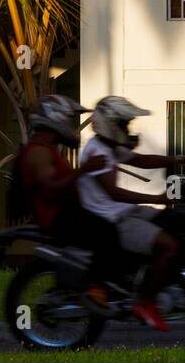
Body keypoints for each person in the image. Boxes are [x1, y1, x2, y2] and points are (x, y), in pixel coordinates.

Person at [77, 96, 185, 332]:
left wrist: (181, 160)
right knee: (168, 246)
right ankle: (145, 301)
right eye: (125, 124)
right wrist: (155, 198)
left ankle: (166, 279)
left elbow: (141, 160)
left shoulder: (108, 146)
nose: (128, 129)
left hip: (124, 212)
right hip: (113, 219)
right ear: (111, 124)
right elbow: (115, 193)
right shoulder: (98, 152)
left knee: (175, 222)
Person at [13, 95, 118, 311]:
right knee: (109, 232)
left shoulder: (47, 149)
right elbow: (51, 187)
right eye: (68, 119)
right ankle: (95, 290)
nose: (70, 125)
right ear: (55, 118)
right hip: (58, 216)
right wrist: (84, 170)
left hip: (66, 211)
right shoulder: (38, 152)